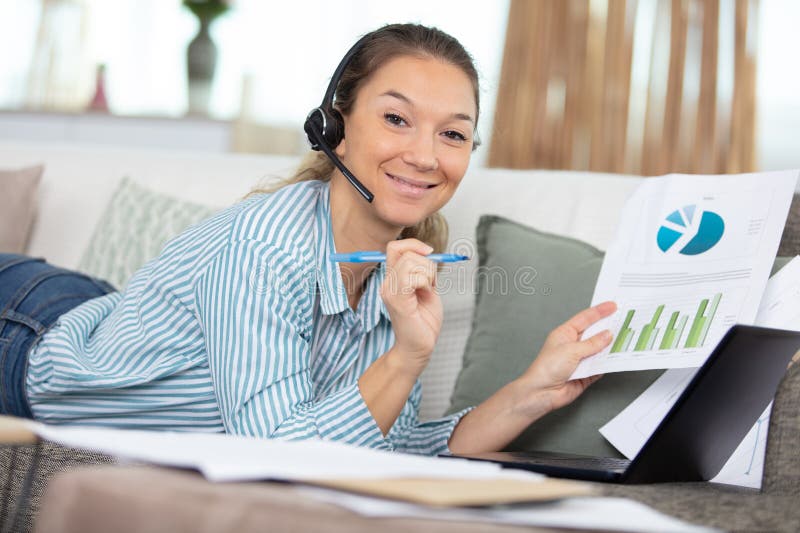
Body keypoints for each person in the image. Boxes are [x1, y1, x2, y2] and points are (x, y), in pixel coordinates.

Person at [0, 23, 615, 456]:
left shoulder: (394, 274)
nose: (426, 156)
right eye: (396, 119)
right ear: (336, 129)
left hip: (100, 316)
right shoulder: (265, 247)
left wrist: (531, 392)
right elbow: (276, 452)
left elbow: (390, 442)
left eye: (453, 134)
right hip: (25, 333)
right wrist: (407, 357)